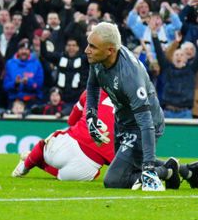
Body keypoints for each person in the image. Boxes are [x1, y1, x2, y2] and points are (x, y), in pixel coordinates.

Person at [83, 22, 195, 190]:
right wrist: (91, 115)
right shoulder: (98, 60)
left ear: (110, 50)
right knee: (132, 164)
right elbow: (92, 86)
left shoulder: (129, 76)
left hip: (145, 122)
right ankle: (182, 170)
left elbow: (146, 123)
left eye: (93, 46)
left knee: (114, 180)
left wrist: (149, 168)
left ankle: (163, 171)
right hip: (123, 119)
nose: (87, 50)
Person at [13, 90, 115, 181]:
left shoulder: (91, 91)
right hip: (89, 165)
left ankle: (26, 165)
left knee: (45, 144)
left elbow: (71, 121)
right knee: (62, 175)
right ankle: (37, 161)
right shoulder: (129, 107)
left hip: (68, 145)